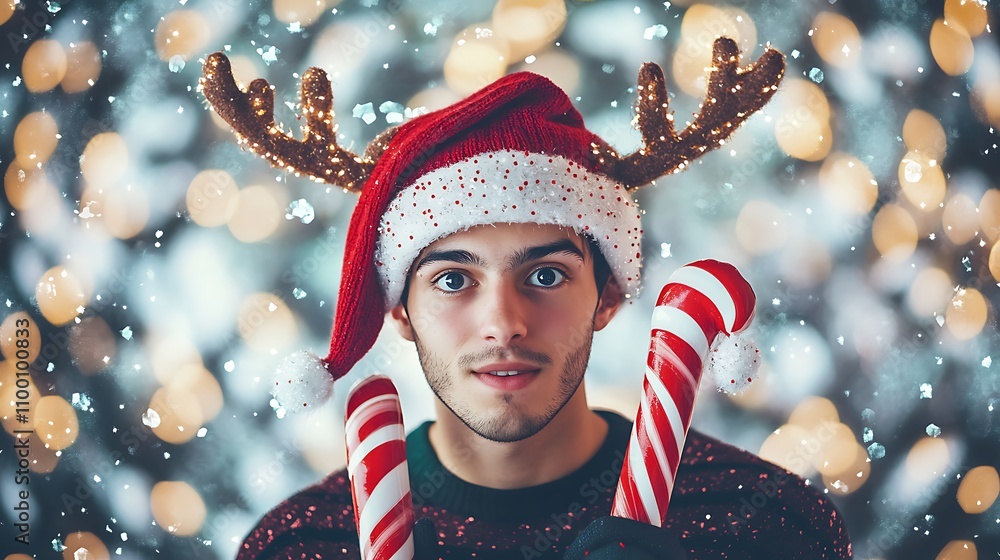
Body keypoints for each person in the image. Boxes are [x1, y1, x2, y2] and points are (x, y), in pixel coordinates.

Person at [202, 37, 852, 559]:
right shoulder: (302, 544)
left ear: (607, 296)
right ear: (399, 309)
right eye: (453, 280)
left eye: (545, 276)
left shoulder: (766, 523)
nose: (504, 324)